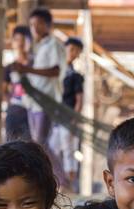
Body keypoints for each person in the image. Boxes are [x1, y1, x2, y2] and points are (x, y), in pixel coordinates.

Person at [9, 7, 68, 187]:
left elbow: (55, 71)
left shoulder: (54, 44)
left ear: (48, 25)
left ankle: (61, 181)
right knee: (37, 142)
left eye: (39, 24)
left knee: (41, 142)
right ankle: (51, 180)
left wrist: (28, 69)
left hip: (46, 100)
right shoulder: (37, 46)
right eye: (32, 24)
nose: (35, 28)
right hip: (33, 101)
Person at [51, 36, 85, 191]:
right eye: (71, 49)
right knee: (52, 150)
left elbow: (79, 100)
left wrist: (74, 119)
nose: (72, 53)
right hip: (54, 118)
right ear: (64, 49)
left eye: (76, 51)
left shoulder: (75, 76)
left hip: (68, 118)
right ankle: (56, 184)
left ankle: (68, 187)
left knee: (69, 150)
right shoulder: (55, 72)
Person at [3, 25, 32, 142]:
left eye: (23, 39)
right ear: (13, 42)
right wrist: (10, 103)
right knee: (10, 144)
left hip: (32, 111)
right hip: (14, 111)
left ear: (29, 42)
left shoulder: (36, 66)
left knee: (30, 145)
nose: (20, 43)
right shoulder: (9, 67)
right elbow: (4, 89)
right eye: (17, 39)